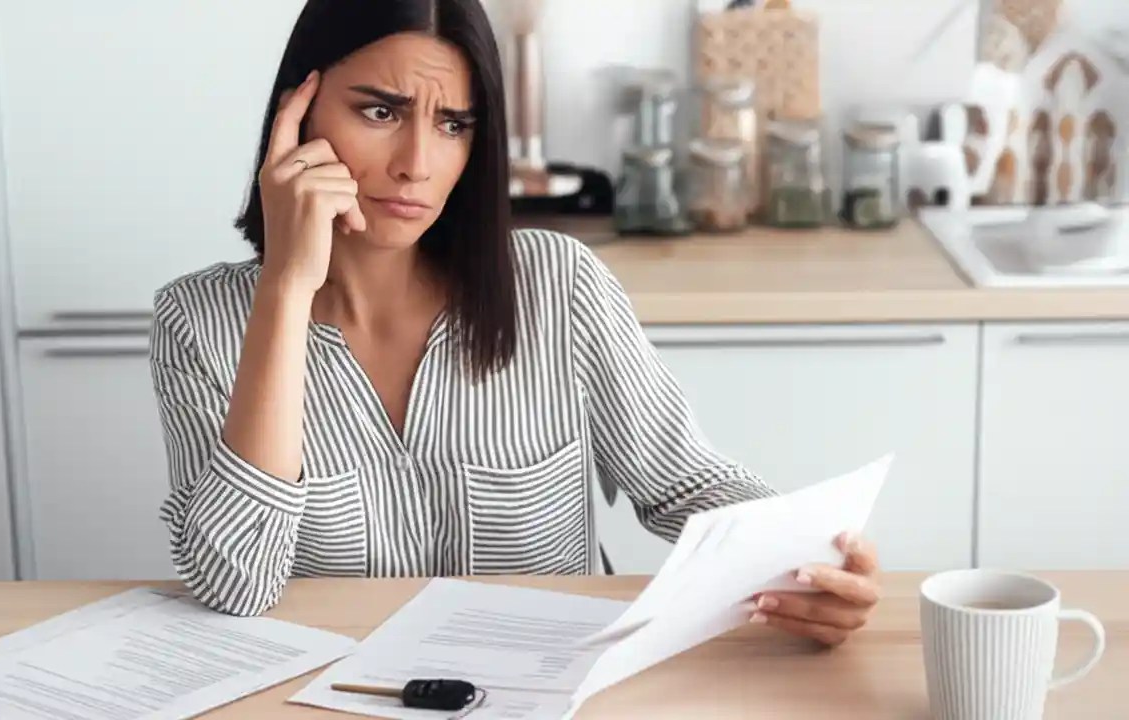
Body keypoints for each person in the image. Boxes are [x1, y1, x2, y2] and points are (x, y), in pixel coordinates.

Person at [148, 0, 881, 644]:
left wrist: (808, 564)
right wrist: (285, 286)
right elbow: (235, 584)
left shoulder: (561, 286)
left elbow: (684, 485)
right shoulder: (199, 322)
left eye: (453, 124)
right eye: (380, 112)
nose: (417, 163)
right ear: (296, 112)